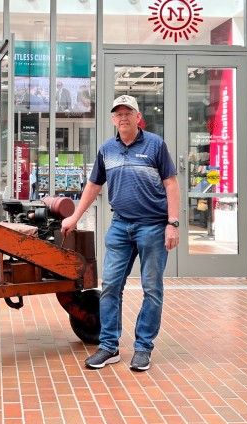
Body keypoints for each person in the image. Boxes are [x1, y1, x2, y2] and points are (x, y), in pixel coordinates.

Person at [60, 95, 180, 372]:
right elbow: (93, 185)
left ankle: (143, 348)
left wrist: (172, 223)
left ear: (138, 117)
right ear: (113, 119)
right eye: (118, 114)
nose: (123, 118)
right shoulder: (107, 149)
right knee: (111, 287)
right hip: (120, 226)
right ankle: (109, 346)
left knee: (152, 289)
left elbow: (171, 184)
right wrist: (75, 216)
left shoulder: (155, 145)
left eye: (129, 113)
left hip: (153, 226)